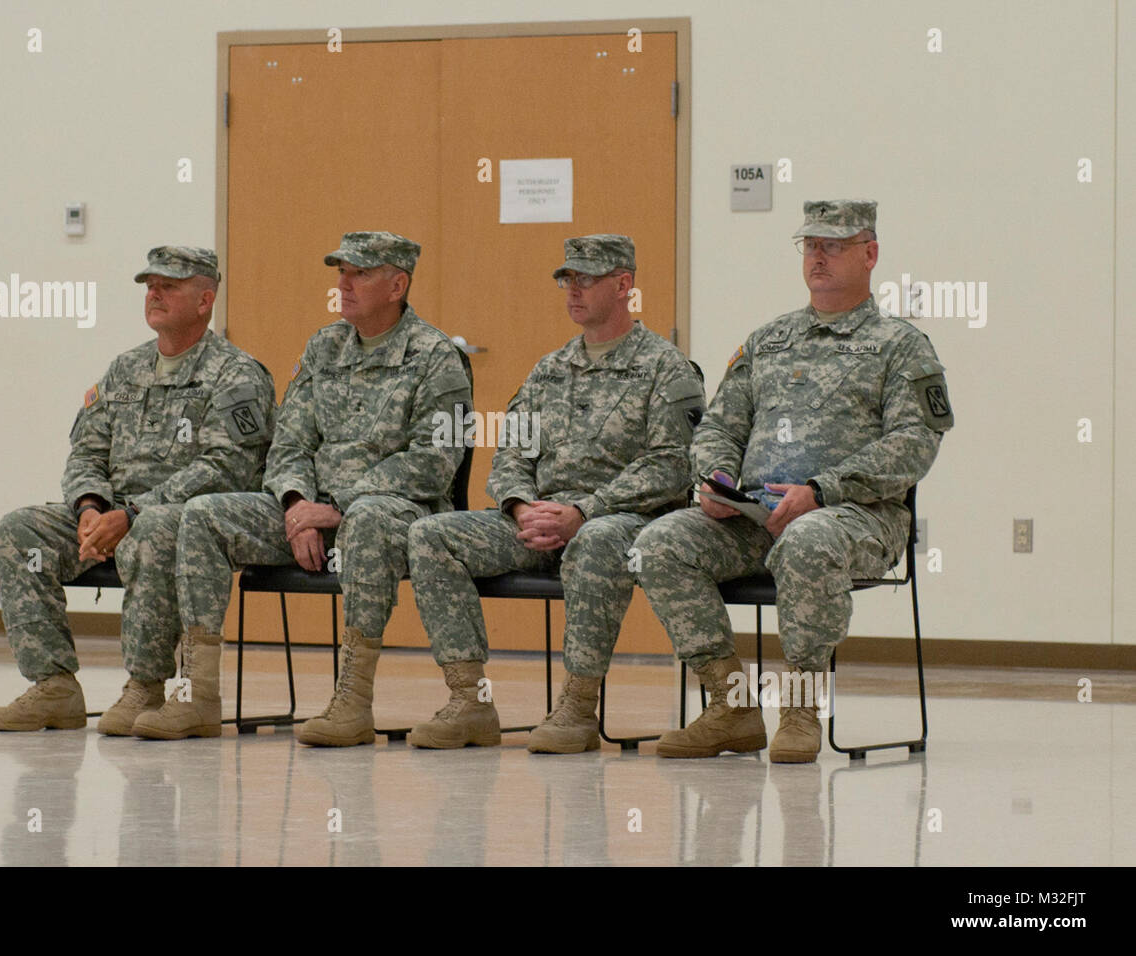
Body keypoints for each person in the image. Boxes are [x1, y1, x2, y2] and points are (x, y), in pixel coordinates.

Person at [635, 200, 954, 762]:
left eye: (833, 245)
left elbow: (914, 445)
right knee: (658, 544)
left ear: (870, 254)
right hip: (751, 517)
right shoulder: (768, 341)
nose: (819, 256)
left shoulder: (900, 345)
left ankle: (802, 710)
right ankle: (730, 707)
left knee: (808, 539)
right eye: (810, 245)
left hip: (855, 517)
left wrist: (823, 490)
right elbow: (718, 427)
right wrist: (716, 482)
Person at [132, 231, 472, 742]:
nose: (344, 283)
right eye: (341, 272)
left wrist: (335, 506)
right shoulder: (324, 346)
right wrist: (295, 503)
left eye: (359, 273)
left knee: (369, 518)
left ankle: (352, 704)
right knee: (203, 514)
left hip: (398, 514)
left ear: (397, 284)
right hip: (308, 510)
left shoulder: (435, 356)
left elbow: (433, 461)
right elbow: (288, 441)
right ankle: (196, 697)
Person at [405, 234, 703, 753]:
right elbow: (511, 455)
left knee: (597, 538)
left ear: (624, 284)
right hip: (539, 521)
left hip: (622, 521)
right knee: (431, 535)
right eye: (568, 279)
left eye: (586, 280)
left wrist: (585, 510)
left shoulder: (666, 368)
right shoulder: (549, 369)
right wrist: (521, 507)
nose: (573, 290)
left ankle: (577, 708)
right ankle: (470, 701)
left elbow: (672, 465)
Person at [0, 246, 275, 733]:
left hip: (182, 521)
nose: (154, 292)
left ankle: (147, 684)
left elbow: (229, 467)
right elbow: (86, 450)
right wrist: (89, 506)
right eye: (149, 284)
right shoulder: (124, 370)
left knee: (154, 528)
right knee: (19, 532)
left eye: (170, 284)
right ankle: (54, 685)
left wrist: (134, 513)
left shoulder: (236, 374)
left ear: (205, 300)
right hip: (113, 515)